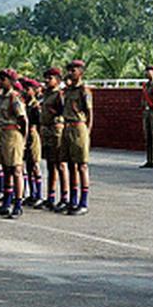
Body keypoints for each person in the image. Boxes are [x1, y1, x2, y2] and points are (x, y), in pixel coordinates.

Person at [0, 73, 29, 219]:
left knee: (16, 170)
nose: (0, 82)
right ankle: (6, 204)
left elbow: (23, 120)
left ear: (11, 81)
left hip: (12, 134)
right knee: (6, 169)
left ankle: (18, 205)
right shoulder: (2, 98)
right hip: (2, 134)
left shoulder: (15, 98)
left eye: (3, 79)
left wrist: (23, 139)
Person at [62, 60, 93, 215]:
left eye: (73, 70)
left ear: (81, 71)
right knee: (71, 165)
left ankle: (83, 202)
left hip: (78, 127)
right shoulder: (68, 90)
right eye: (69, 70)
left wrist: (87, 131)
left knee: (82, 165)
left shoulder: (84, 90)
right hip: (67, 127)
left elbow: (89, 113)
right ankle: (73, 201)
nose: (70, 72)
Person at [38, 67, 68, 211]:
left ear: (58, 80)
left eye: (50, 78)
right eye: (46, 78)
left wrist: (55, 114)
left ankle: (64, 197)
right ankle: (50, 197)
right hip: (47, 130)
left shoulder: (59, 95)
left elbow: (64, 112)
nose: (46, 80)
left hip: (56, 130)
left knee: (60, 165)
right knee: (50, 165)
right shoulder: (46, 94)